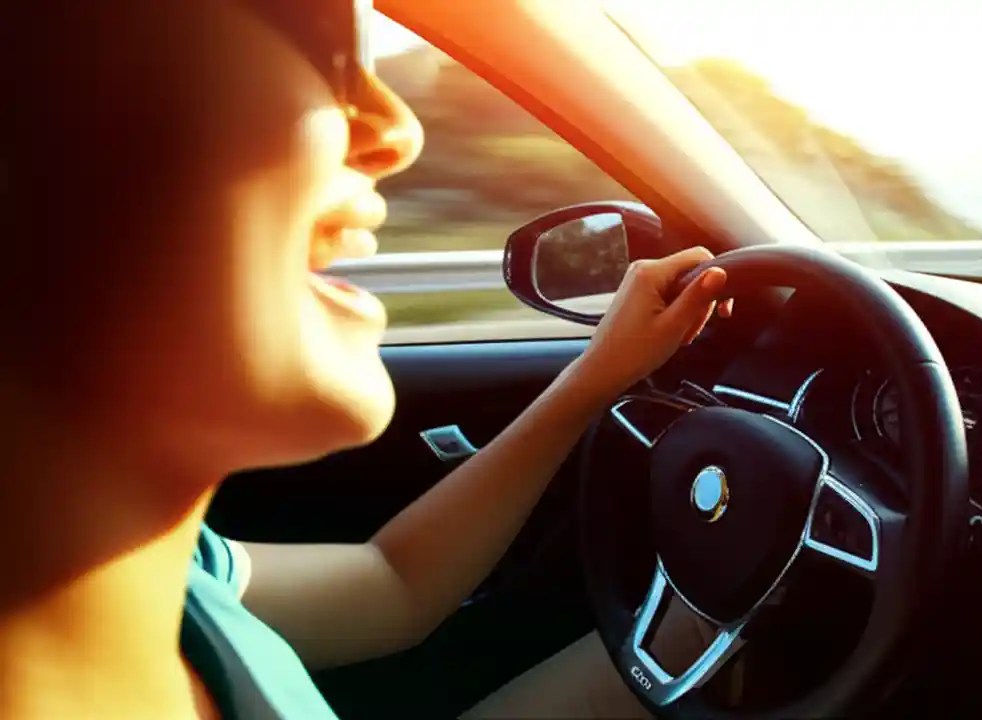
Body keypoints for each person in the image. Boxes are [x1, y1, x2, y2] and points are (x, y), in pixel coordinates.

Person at [0, 1, 731, 718]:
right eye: (317, 35)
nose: (397, 130)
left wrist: (594, 379)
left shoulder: (179, 578)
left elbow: (395, 586)